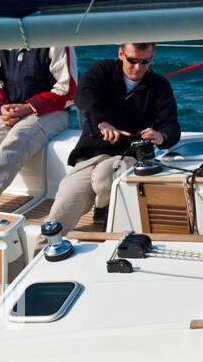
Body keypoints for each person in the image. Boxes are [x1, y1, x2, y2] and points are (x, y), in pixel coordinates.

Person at [45, 43, 180, 234]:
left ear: (152, 58)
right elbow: (83, 94)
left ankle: (103, 207)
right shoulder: (103, 70)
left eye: (145, 62)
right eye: (132, 60)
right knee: (64, 202)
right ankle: (44, 250)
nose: (138, 67)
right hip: (90, 152)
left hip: (129, 154)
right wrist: (100, 122)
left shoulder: (159, 85)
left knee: (104, 175)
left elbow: (171, 125)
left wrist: (162, 135)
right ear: (120, 54)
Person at [0, 47, 76, 210]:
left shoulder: (56, 42)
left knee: (19, 134)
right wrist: (0, 108)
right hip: (11, 108)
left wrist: (29, 107)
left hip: (52, 111)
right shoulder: (0, 42)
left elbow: (67, 89)